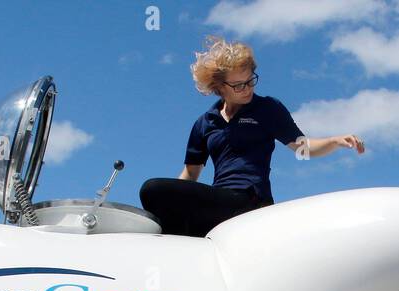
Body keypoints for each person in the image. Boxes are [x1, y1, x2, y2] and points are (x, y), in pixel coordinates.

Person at [139, 36, 366, 237]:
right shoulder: (205, 122)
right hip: (219, 202)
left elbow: (302, 147)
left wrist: (334, 141)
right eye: (238, 85)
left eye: (250, 81)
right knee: (156, 196)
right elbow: (190, 173)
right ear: (219, 87)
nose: (247, 89)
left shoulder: (267, 109)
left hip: (251, 200)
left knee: (152, 188)